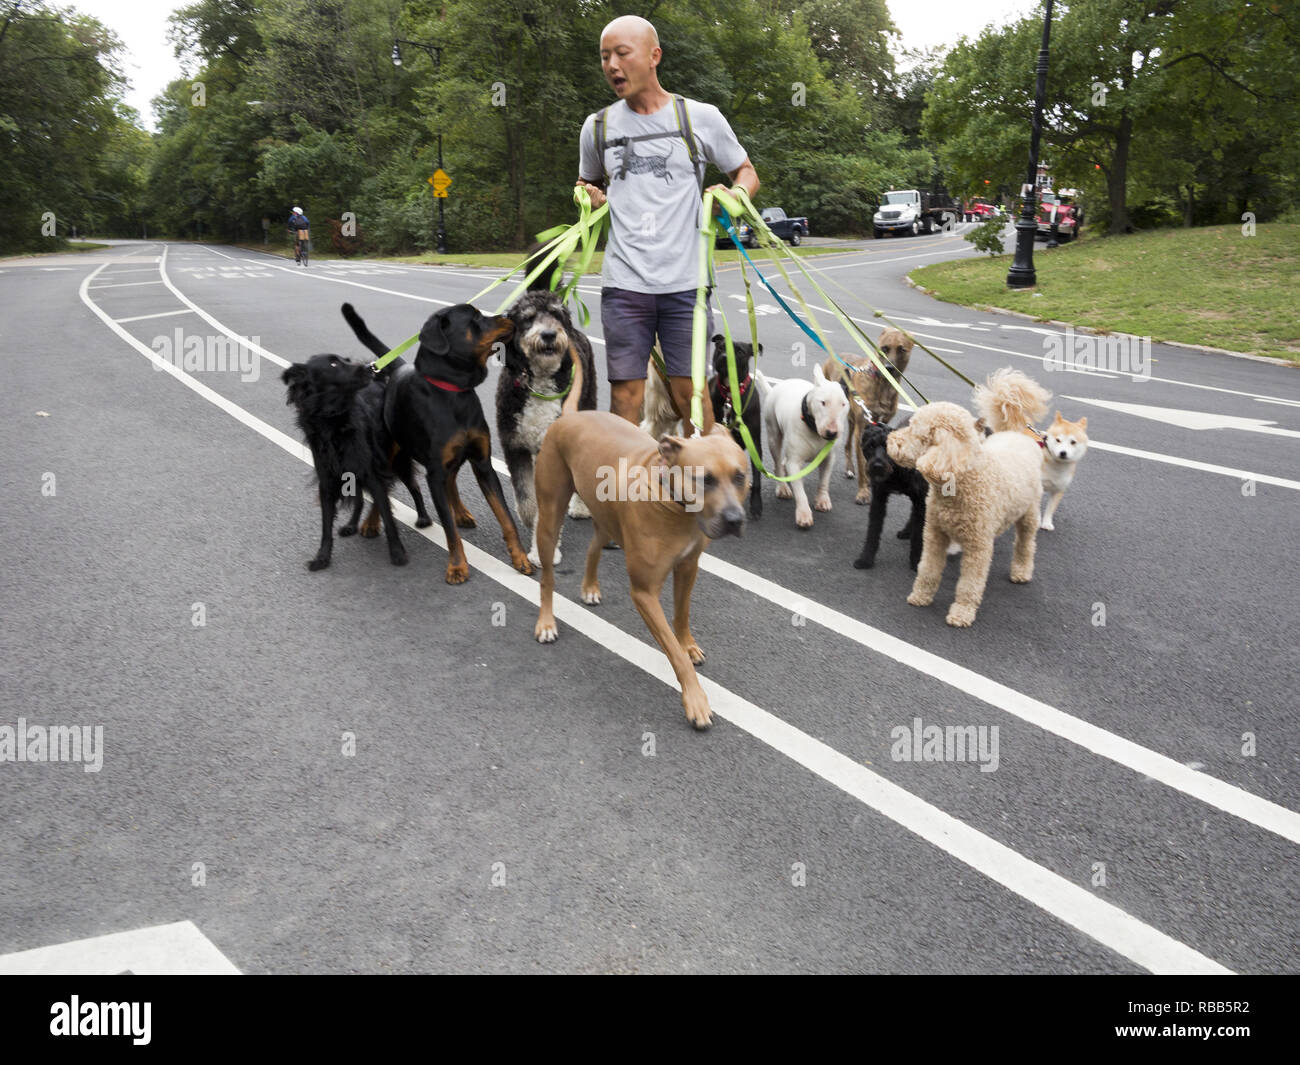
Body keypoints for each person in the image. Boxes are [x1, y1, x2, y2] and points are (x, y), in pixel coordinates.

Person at [576, 15, 760, 434]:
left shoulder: (699, 117)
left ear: (654, 56)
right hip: (625, 283)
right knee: (626, 398)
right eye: (605, 56)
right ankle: (625, 493)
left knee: (690, 396)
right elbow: (588, 182)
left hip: (685, 284)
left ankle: (702, 492)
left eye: (622, 53)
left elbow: (745, 171)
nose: (611, 65)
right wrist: (589, 196)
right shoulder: (598, 127)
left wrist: (736, 197)